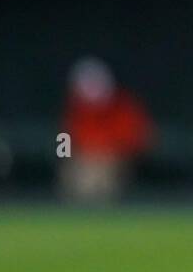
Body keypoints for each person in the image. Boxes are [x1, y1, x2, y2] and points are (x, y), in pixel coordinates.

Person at [58, 57, 152, 202]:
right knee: (76, 175)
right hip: (82, 162)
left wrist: (108, 155)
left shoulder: (124, 107)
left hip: (115, 163)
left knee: (100, 177)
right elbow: (63, 141)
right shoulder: (74, 110)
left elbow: (139, 141)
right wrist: (70, 157)